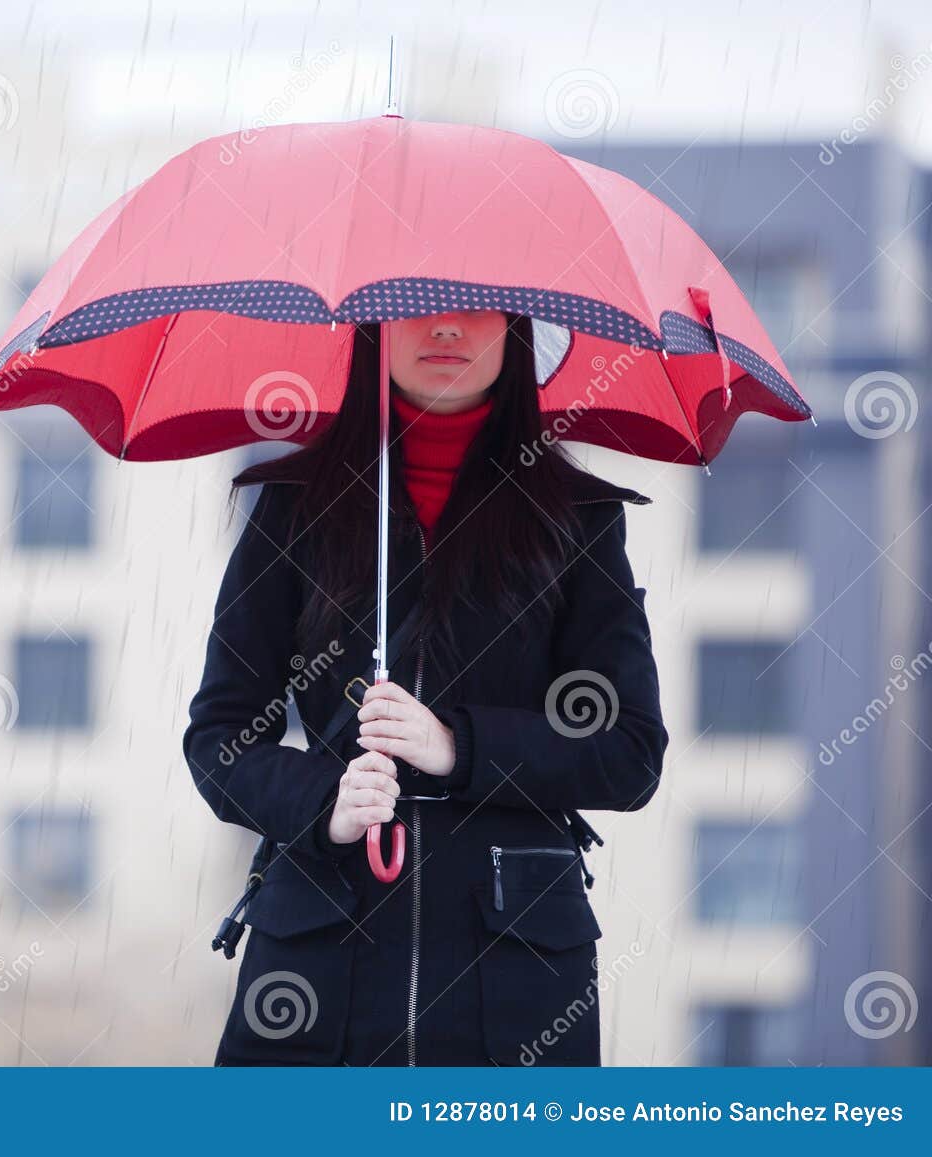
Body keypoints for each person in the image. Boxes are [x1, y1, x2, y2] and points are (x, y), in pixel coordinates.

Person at [182, 311, 668, 1066]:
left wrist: (459, 746)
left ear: (514, 327)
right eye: (415, 303)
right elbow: (220, 734)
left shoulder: (577, 518)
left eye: (472, 306)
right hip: (314, 968)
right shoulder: (293, 502)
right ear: (373, 326)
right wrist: (324, 802)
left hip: (516, 979)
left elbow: (629, 748)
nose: (444, 328)